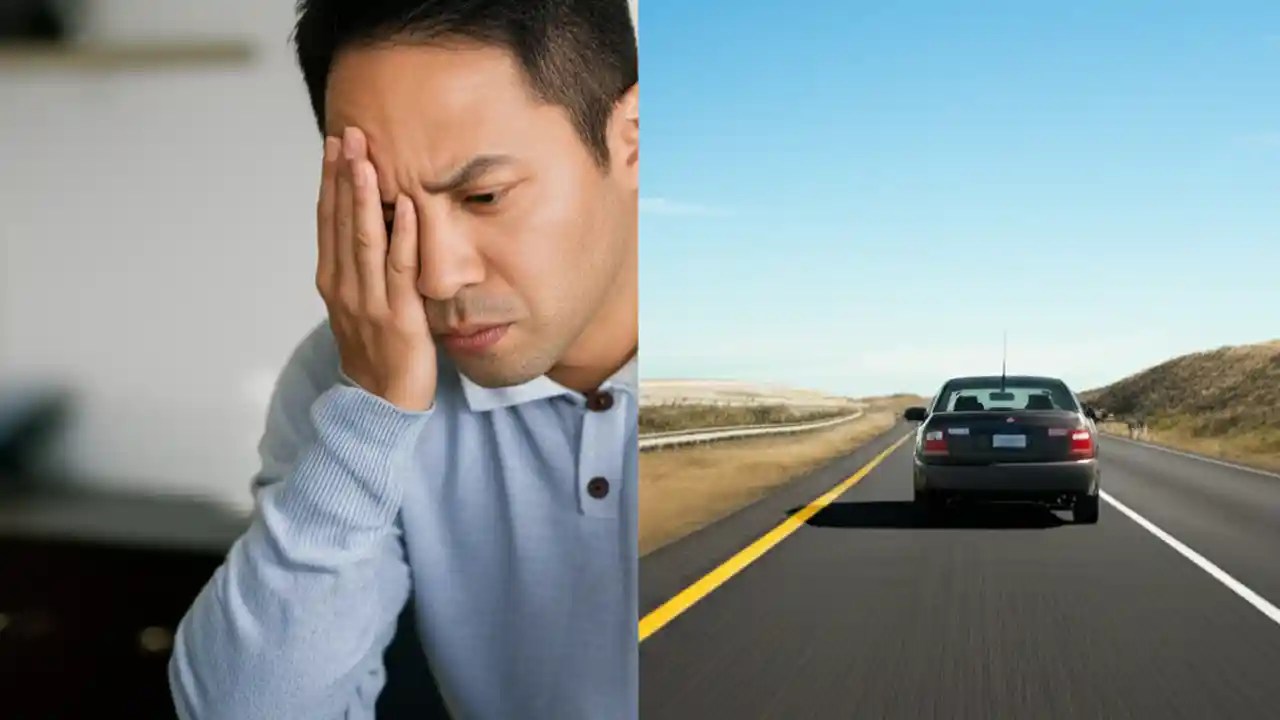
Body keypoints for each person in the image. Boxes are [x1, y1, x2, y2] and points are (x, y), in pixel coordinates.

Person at [167, 1, 639, 718]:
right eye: (386, 215)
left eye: (484, 196)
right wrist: (371, 415)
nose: (437, 277)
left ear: (631, 140)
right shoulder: (356, 376)